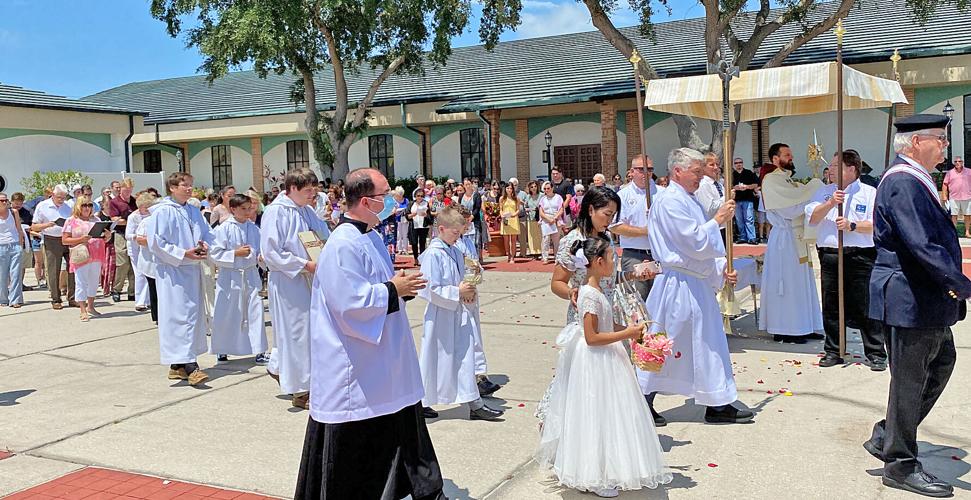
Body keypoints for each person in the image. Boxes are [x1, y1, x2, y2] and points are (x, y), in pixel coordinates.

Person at [297, 168, 446, 500]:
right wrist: (393, 289)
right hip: (355, 362)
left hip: (383, 354)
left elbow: (379, 285)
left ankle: (417, 487)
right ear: (367, 201)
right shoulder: (341, 245)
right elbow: (349, 304)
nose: (393, 197)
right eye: (386, 193)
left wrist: (401, 288)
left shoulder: (372, 236)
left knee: (399, 418)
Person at [862, 114, 971, 497]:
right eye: (939, 139)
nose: (945, 145)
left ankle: (887, 435)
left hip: (921, 297)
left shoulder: (915, 178)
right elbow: (920, 243)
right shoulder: (903, 181)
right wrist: (961, 285)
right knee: (910, 381)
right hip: (909, 295)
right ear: (913, 143)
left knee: (940, 363)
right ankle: (900, 463)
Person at [538, 236, 672, 498]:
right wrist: (626, 335)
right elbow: (592, 337)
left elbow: (607, 326)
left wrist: (633, 332)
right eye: (611, 258)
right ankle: (593, 473)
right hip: (595, 362)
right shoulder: (589, 295)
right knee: (595, 414)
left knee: (608, 414)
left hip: (606, 358)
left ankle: (605, 468)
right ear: (598, 262)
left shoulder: (597, 290)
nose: (614, 262)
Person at [638, 148, 753, 425]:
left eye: (703, 172)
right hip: (677, 285)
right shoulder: (669, 201)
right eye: (697, 172)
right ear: (678, 170)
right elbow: (693, 241)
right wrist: (718, 221)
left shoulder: (689, 200)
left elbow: (700, 249)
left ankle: (717, 401)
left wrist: (720, 269)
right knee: (665, 342)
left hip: (694, 281)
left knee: (708, 344)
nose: (701, 178)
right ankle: (641, 399)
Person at [417, 206, 504, 421]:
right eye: (455, 233)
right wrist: (457, 292)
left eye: (461, 233)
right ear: (442, 229)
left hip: (459, 313)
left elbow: (464, 274)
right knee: (433, 359)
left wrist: (469, 288)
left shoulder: (455, 250)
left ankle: (474, 402)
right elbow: (429, 288)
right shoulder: (432, 255)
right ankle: (421, 402)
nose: (458, 237)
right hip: (441, 315)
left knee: (465, 357)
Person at [805, 150, 886, 370]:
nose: (830, 170)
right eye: (830, 166)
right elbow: (812, 218)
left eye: (835, 166)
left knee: (865, 305)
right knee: (832, 304)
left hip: (861, 256)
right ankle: (833, 350)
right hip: (831, 255)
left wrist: (852, 226)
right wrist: (831, 203)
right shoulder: (824, 192)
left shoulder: (869, 193)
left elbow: (878, 223)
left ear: (851, 169)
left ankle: (876, 352)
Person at [261, 168, 331, 409]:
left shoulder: (307, 210)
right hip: (289, 280)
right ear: (291, 189)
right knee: (297, 333)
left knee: (308, 331)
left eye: (314, 189)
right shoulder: (276, 212)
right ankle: (301, 391)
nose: (313, 194)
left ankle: (279, 366)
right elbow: (271, 252)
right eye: (308, 190)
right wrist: (303, 264)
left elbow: (322, 237)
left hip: (312, 277)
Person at [147, 172, 214, 386]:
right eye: (184, 185)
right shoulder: (162, 212)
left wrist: (204, 246)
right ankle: (191, 365)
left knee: (192, 315)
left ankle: (177, 366)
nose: (189, 189)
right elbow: (156, 243)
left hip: (192, 269)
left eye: (190, 185)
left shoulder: (193, 211)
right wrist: (183, 253)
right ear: (172, 188)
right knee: (178, 316)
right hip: (172, 271)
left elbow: (207, 233)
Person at [759, 143, 825, 343]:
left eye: (791, 154)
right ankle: (785, 328)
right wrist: (813, 193)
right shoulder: (771, 181)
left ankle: (805, 325)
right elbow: (789, 211)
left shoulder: (789, 181)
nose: (791, 158)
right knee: (786, 284)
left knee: (801, 283)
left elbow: (799, 198)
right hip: (784, 239)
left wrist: (814, 191)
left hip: (796, 237)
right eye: (787, 155)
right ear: (775, 159)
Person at [209, 194, 268, 363]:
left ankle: (259, 350)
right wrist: (235, 253)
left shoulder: (254, 228)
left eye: (250, 208)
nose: (248, 212)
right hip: (230, 276)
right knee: (227, 312)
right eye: (244, 209)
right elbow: (214, 253)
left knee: (255, 312)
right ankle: (222, 348)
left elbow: (260, 249)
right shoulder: (223, 228)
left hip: (250, 274)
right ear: (233, 209)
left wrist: (261, 258)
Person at [613, 154, 660, 301]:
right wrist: (644, 231)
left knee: (660, 300)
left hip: (659, 253)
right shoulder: (622, 195)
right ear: (632, 172)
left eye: (650, 169)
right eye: (641, 169)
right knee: (637, 300)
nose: (646, 173)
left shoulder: (663, 193)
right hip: (634, 254)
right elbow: (615, 226)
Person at [62, 196, 110, 322]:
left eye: (89, 205)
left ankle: (91, 306)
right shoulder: (71, 221)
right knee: (81, 282)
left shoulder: (96, 219)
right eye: (84, 205)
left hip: (97, 253)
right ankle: (82, 309)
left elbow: (103, 237)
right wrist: (80, 239)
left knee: (94, 282)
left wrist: (107, 236)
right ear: (78, 206)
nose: (87, 208)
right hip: (81, 254)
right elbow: (65, 240)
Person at [31, 184, 75, 309]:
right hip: (51, 239)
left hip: (67, 238)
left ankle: (72, 297)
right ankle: (56, 299)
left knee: (72, 268)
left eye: (63, 197)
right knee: (53, 269)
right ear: (53, 195)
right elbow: (34, 226)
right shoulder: (42, 206)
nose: (61, 200)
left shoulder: (68, 206)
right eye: (59, 197)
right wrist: (47, 225)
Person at [107, 179, 137, 302]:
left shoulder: (134, 201)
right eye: (126, 189)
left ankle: (132, 291)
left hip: (133, 233)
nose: (128, 192)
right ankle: (117, 289)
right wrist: (129, 220)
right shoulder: (115, 202)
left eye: (130, 190)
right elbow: (114, 219)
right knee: (122, 262)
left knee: (133, 262)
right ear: (121, 189)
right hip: (120, 233)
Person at [125, 192, 155, 312]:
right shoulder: (133, 217)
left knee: (149, 272)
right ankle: (140, 301)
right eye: (145, 207)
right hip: (135, 248)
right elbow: (128, 234)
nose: (147, 209)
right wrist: (137, 237)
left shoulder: (152, 215)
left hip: (147, 247)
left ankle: (148, 300)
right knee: (140, 273)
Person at [0, 192, 25, 308]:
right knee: (2, 275)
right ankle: (3, 299)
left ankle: (15, 300)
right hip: (1, 246)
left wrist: (20, 245)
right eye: (1, 201)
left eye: (6, 200)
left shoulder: (13, 212)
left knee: (15, 274)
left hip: (14, 245)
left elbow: (19, 229)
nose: (4, 202)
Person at [731, 157, 760, 244]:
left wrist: (746, 187)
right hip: (737, 200)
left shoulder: (749, 173)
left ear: (742, 163)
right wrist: (734, 187)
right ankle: (743, 237)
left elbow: (755, 184)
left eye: (740, 162)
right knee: (739, 220)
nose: (738, 164)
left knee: (749, 219)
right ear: (734, 165)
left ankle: (752, 238)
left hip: (748, 199)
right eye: (736, 163)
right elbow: (729, 185)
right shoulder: (732, 174)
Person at [941, 156, 971, 237]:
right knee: (953, 215)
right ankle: (954, 232)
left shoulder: (969, 172)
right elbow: (945, 184)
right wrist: (944, 196)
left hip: (967, 197)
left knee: (967, 215)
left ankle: (967, 232)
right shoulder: (950, 173)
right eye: (956, 161)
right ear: (954, 163)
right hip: (953, 197)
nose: (958, 163)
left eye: (959, 161)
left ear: (962, 162)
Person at [538, 181, 565, 263]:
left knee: (556, 240)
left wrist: (555, 218)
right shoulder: (542, 199)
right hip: (546, 220)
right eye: (545, 189)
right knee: (545, 239)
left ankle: (557, 257)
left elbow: (561, 209)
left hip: (556, 220)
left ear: (552, 188)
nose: (547, 190)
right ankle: (545, 257)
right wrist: (548, 219)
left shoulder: (558, 197)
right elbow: (541, 212)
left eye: (548, 188)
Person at [499, 183, 521, 263]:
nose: (509, 190)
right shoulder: (502, 198)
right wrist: (502, 215)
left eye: (511, 188)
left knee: (513, 240)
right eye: (507, 188)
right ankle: (508, 254)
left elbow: (518, 209)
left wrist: (514, 214)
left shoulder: (516, 198)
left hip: (513, 219)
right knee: (506, 239)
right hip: (505, 219)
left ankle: (513, 256)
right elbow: (500, 209)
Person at [408, 189, 431, 262]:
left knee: (422, 243)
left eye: (421, 196)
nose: (420, 197)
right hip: (414, 225)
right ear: (415, 196)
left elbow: (429, 215)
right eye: (418, 196)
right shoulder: (411, 204)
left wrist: (426, 215)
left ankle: (422, 259)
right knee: (414, 242)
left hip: (423, 226)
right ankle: (415, 258)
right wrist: (412, 215)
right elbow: (407, 215)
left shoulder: (426, 203)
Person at [394, 187, 410, 255]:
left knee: (405, 234)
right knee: (399, 235)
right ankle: (400, 249)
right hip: (397, 219)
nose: (400, 195)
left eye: (401, 193)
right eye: (398, 193)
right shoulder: (394, 201)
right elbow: (393, 210)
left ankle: (405, 249)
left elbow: (409, 209)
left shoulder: (406, 200)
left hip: (405, 219)